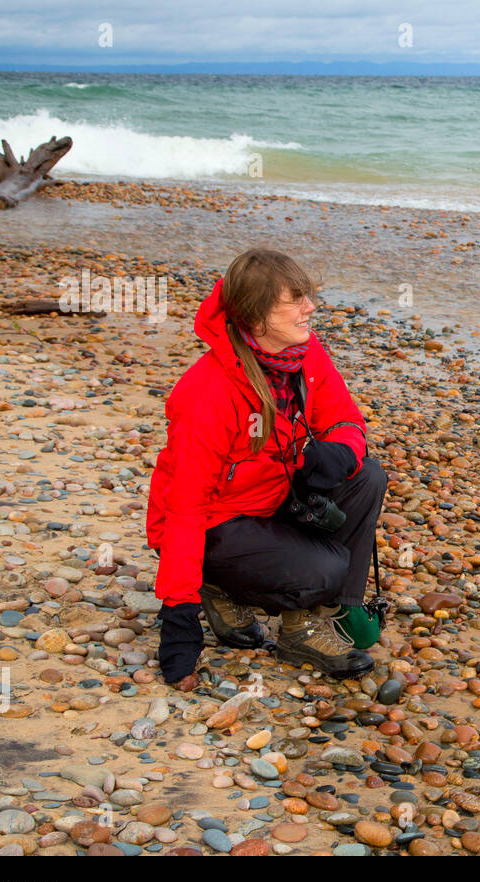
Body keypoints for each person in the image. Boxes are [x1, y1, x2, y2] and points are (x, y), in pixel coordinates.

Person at [145, 247, 388, 691]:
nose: (310, 308)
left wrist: (341, 451)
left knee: (368, 475)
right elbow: (184, 509)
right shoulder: (208, 393)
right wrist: (178, 620)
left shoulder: (303, 354)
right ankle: (217, 587)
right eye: (294, 300)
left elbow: (346, 419)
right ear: (256, 318)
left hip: (274, 498)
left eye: (307, 297)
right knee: (326, 568)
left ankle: (310, 624)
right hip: (217, 523)